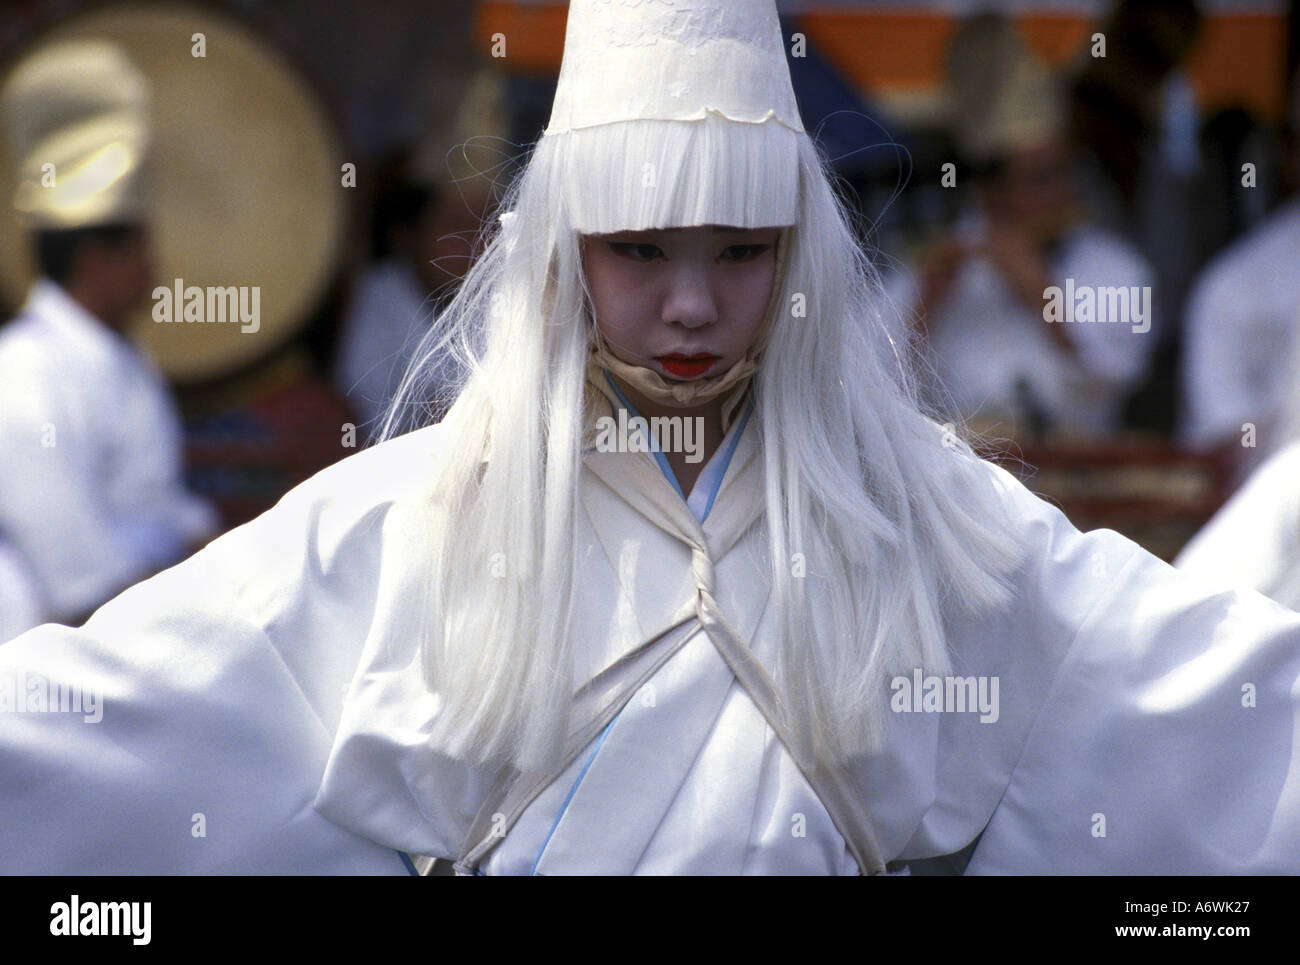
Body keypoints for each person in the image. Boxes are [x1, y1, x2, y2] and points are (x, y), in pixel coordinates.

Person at [2, 0, 1299, 875]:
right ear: (563, 254)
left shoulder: (927, 518)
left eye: (740, 254)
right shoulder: (413, 518)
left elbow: (1183, 698)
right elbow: (132, 715)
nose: (691, 304)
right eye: (640, 251)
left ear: (798, 257)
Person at [0, 40, 218, 636]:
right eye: (142, 249)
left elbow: (167, 511)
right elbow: (79, 582)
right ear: (96, 260)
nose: (156, 269)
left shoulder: (121, 359)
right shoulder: (23, 374)